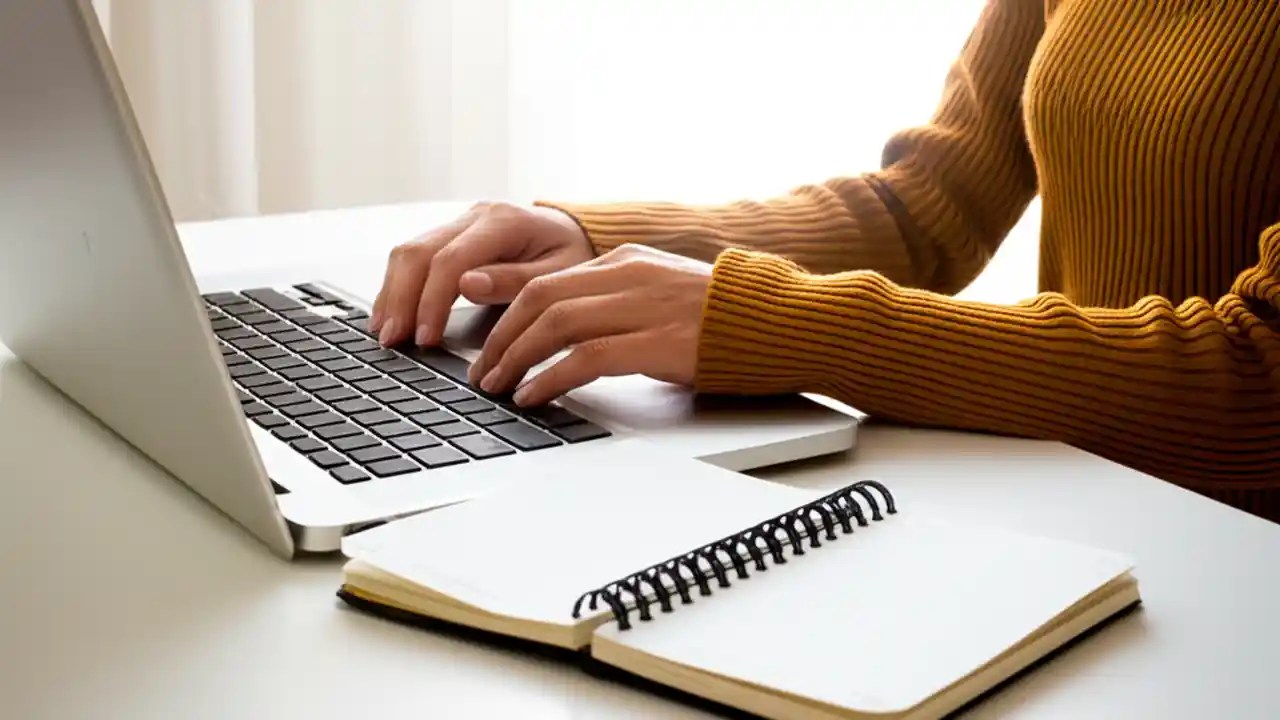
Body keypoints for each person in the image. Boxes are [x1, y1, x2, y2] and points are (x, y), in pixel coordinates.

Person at [370, 0, 1280, 521]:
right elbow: (931, 203)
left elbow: (1261, 373)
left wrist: (770, 322)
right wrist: (593, 237)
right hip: (1107, 516)